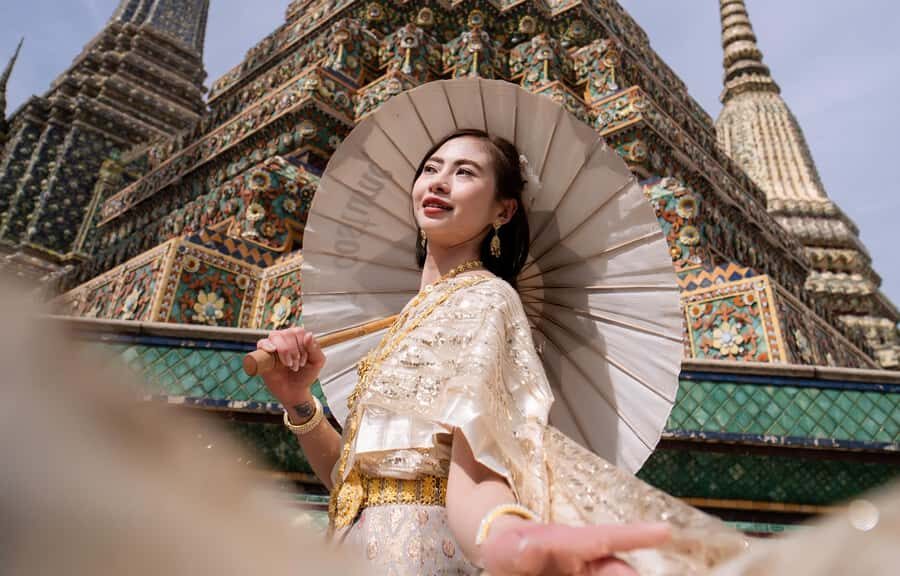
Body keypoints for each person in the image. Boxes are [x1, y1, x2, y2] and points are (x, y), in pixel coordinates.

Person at [258, 129, 746, 575]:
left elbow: (478, 470)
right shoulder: (406, 320)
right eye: (431, 168)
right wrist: (299, 402)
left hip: (420, 552)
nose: (440, 181)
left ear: (503, 210)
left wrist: (510, 537)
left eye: (464, 172)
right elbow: (351, 487)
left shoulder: (487, 300)